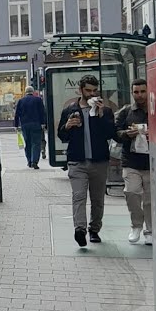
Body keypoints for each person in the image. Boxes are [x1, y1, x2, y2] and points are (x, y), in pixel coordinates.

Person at [56, 74, 116, 247]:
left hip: (99, 161)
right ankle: (80, 229)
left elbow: (110, 133)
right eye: (88, 90)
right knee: (79, 195)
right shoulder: (70, 110)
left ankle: (94, 229)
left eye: (94, 90)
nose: (91, 94)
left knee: (97, 199)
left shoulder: (104, 110)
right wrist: (67, 126)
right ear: (80, 90)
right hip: (77, 161)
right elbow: (62, 135)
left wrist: (101, 114)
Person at [115, 79, 152, 245]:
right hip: (131, 161)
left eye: (142, 91)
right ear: (132, 93)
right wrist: (126, 134)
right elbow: (115, 132)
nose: (140, 95)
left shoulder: (154, 110)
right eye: (136, 92)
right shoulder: (126, 111)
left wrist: (152, 133)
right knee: (131, 192)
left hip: (152, 161)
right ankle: (136, 225)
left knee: (150, 198)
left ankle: (150, 230)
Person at [12, 87, 47, 169]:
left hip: (25, 125)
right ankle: (34, 161)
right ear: (33, 92)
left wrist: (16, 125)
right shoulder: (38, 100)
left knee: (28, 143)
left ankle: (29, 161)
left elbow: (17, 114)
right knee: (36, 143)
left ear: (25, 92)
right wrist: (43, 123)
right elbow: (42, 112)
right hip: (36, 124)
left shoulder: (21, 101)